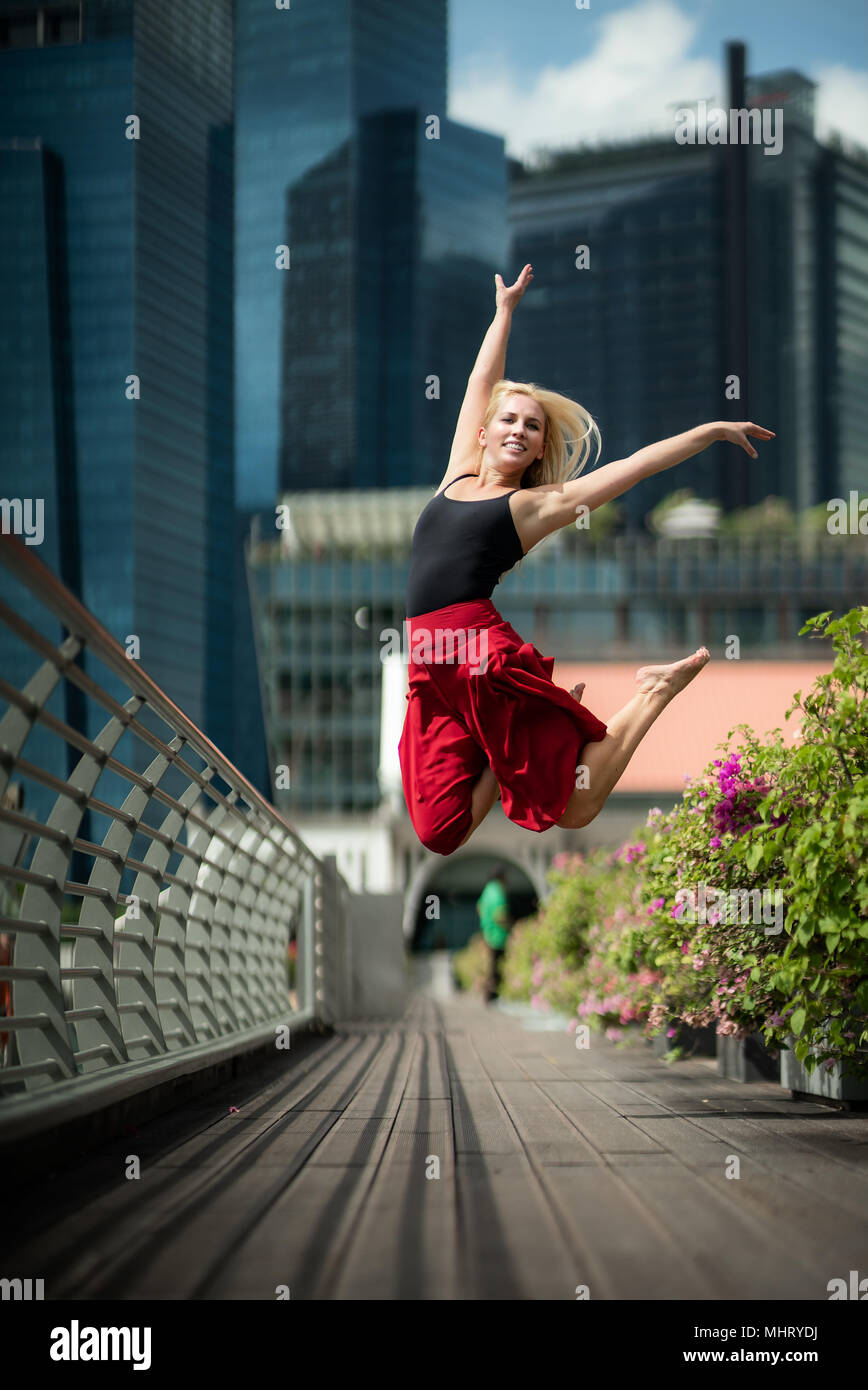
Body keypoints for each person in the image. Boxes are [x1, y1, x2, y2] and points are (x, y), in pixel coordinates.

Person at [398, 264, 774, 856]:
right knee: (437, 830)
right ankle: (510, 751)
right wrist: (504, 313)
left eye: (533, 426)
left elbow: (632, 468)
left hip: (475, 657)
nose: (518, 429)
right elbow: (479, 382)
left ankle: (655, 691)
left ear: (542, 447)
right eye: (509, 419)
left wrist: (706, 433)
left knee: (574, 805)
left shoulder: (530, 507)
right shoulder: (457, 475)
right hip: (427, 663)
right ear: (483, 433)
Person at [477, 869, 511, 1003]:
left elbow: (479, 906)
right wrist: (509, 925)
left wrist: (486, 922)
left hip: (488, 933)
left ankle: (490, 995)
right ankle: (493, 996)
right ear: (501, 877)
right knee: (497, 967)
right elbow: (500, 914)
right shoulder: (497, 891)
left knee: (492, 966)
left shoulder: (487, 891)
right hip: (499, 935)